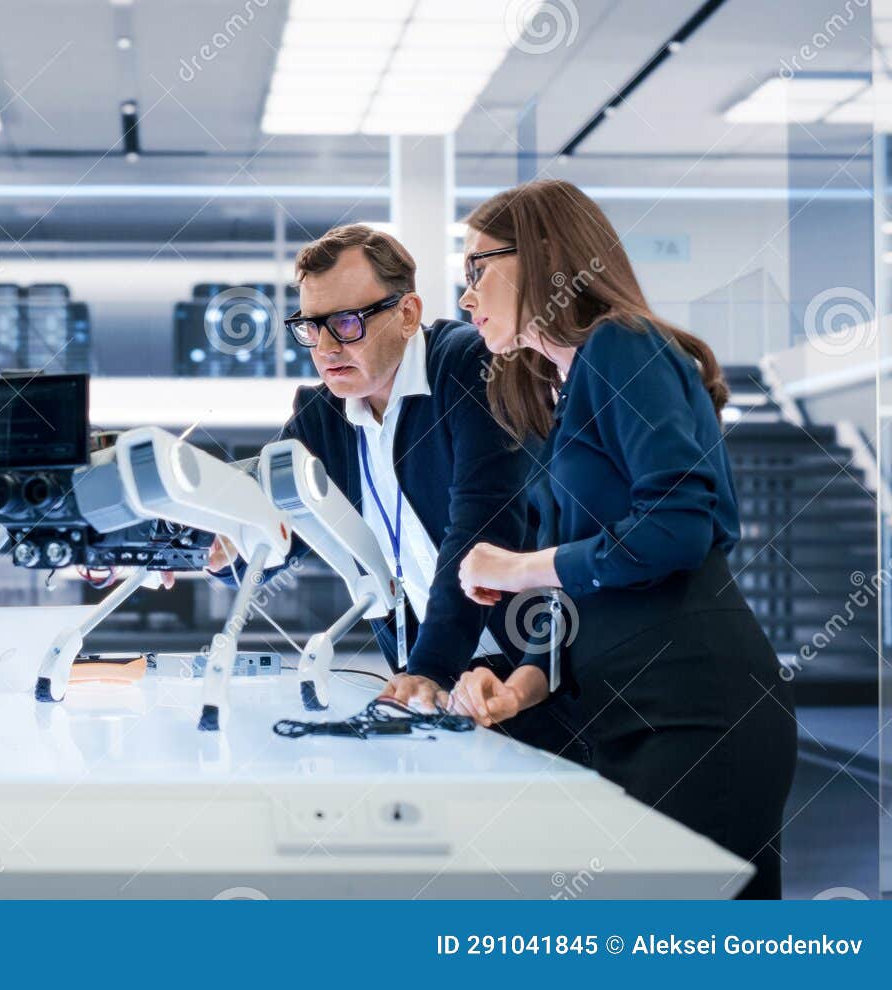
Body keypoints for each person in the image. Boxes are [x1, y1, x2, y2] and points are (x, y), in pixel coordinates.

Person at [452, 178, 797, 898]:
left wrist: (518, 567)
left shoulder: (621, 346)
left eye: (478, 267)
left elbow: (673, 530)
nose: (467, 296)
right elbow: (579, 586)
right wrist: (518, 689)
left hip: (695, 703)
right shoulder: (570, 388)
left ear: (545, 256)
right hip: (632, 710)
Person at [211, 224, 582, 758]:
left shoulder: (469, 365)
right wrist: (211, 543)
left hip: (538, 661)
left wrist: (431, 667)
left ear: (407, 314)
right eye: (311, 327)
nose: (327, 347)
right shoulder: (322, 417)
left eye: (346, 322)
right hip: (438, 688)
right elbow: (271, 531)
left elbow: (481, 526)